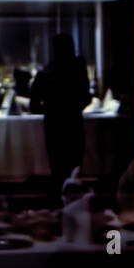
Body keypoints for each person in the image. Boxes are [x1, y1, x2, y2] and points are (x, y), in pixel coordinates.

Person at [29, 34, 91, 206]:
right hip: (73, 124)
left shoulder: (46, 72)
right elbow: (86, 98)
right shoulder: (79, 68)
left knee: (58, 171)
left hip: (54, 125)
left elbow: (33, 104)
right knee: (74, 170)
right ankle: (75, 209)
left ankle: (61, 210)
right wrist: (73, 106)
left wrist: (49, 108)